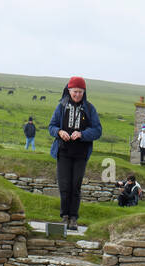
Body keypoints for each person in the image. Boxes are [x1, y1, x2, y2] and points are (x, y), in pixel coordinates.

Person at [47, 76, 102, 229]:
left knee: (75, 185)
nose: (77, 95)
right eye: (74, 91)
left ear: (84, 92)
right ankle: (64, 216)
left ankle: (73, 218)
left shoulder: (90, 109)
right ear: (69, 90)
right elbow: (51, 126)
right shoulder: (61, 107)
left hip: (81, 154)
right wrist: (59, 132)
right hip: (63, 152)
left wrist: (82, 134)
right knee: (64, 185)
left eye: (80, 92)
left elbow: (98, 131)